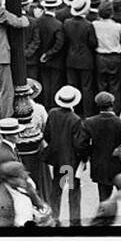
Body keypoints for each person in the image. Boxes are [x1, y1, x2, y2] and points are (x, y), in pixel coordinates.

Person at [44, 85, 90, 226]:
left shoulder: (52, 113)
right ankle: (74, 222)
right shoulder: (75, 119)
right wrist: (84, 159)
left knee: (56, 191)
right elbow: (80, 145)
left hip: (57, 159)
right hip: (70, 163)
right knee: (73, 193)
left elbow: (47, 135)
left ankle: (54, 218)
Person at [82, 92, 121, 203]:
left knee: (103, 198)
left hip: (99, 164)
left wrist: (87, 156)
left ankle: (105, 219)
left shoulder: (89, 122)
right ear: (112, 104)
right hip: (118, 165)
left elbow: (83, 144)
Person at [0, 160, 50, 228]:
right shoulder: (4, 199)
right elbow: (1, 222)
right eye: (20, 176)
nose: (24, 177)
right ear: (11, 179)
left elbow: (36, 201)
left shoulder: (27, 185)